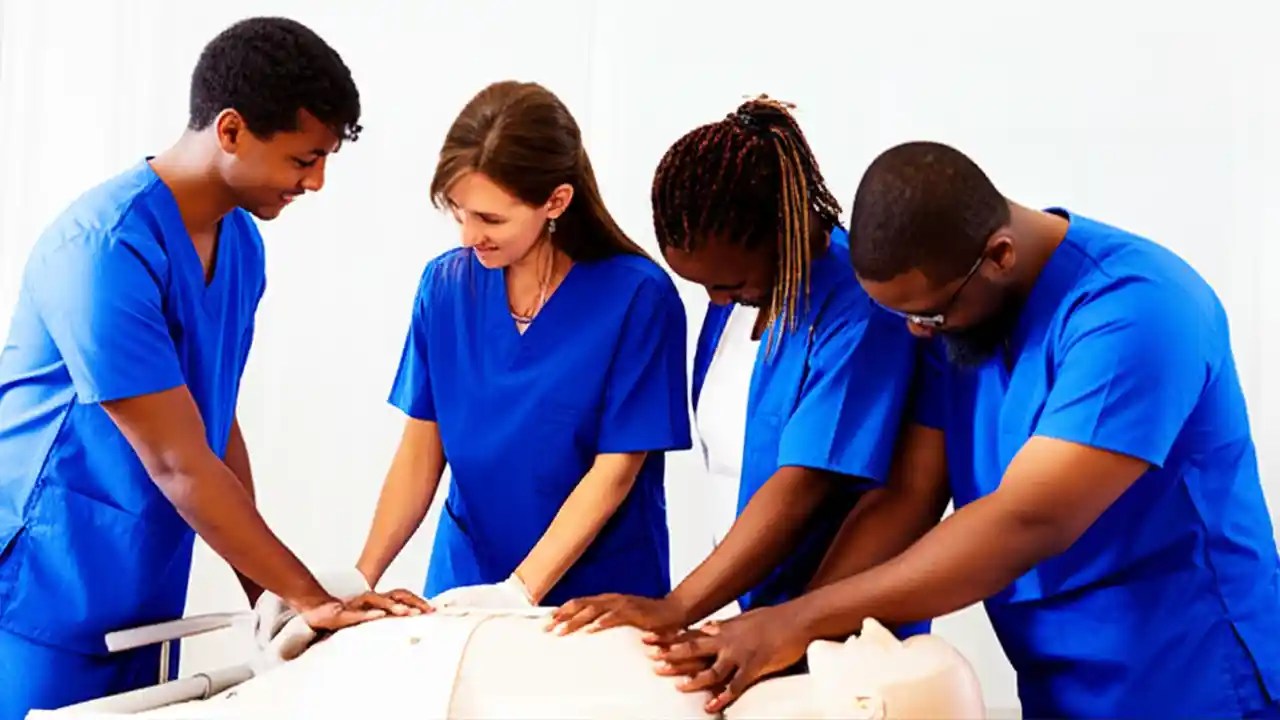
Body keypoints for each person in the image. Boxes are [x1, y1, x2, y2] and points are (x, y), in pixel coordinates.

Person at [647, 141, 1280, 718]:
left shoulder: (1137, 311)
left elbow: (1026, 521)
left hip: (1190, 676)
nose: (917, 333)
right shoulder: (958, 316)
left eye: (927, 316)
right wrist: (787, 637)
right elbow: (908, 496)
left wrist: (802, 620)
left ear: (999, 255)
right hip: (1054, 680)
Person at [0, 17, 407, 719]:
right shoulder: (102, 248)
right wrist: (309, 595)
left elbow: (214, 424)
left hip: (142, 580)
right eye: (304, 159)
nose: (316, 182)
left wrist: (274, 601)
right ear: (231, 131)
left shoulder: (241, 244)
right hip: (42, 583)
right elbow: (177, 461)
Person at [549, 99, 942, 652]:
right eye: (705, 287)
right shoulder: (739, 297)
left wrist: (678, 607)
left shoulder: (860, 309)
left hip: (838, 635)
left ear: (779, 234)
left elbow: (804, 483)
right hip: (747, 620)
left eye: (728, 286)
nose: (716, 300)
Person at [353, 81, 691, 611]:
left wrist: (519, 591)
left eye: (491, 219)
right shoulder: (445, 288)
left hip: (594, 598)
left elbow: (616, 470)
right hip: (465, 579)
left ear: (556, 201)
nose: (468, 236)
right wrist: (360, 578)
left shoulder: (638, 298)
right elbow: (420, 451)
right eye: (459, 212)